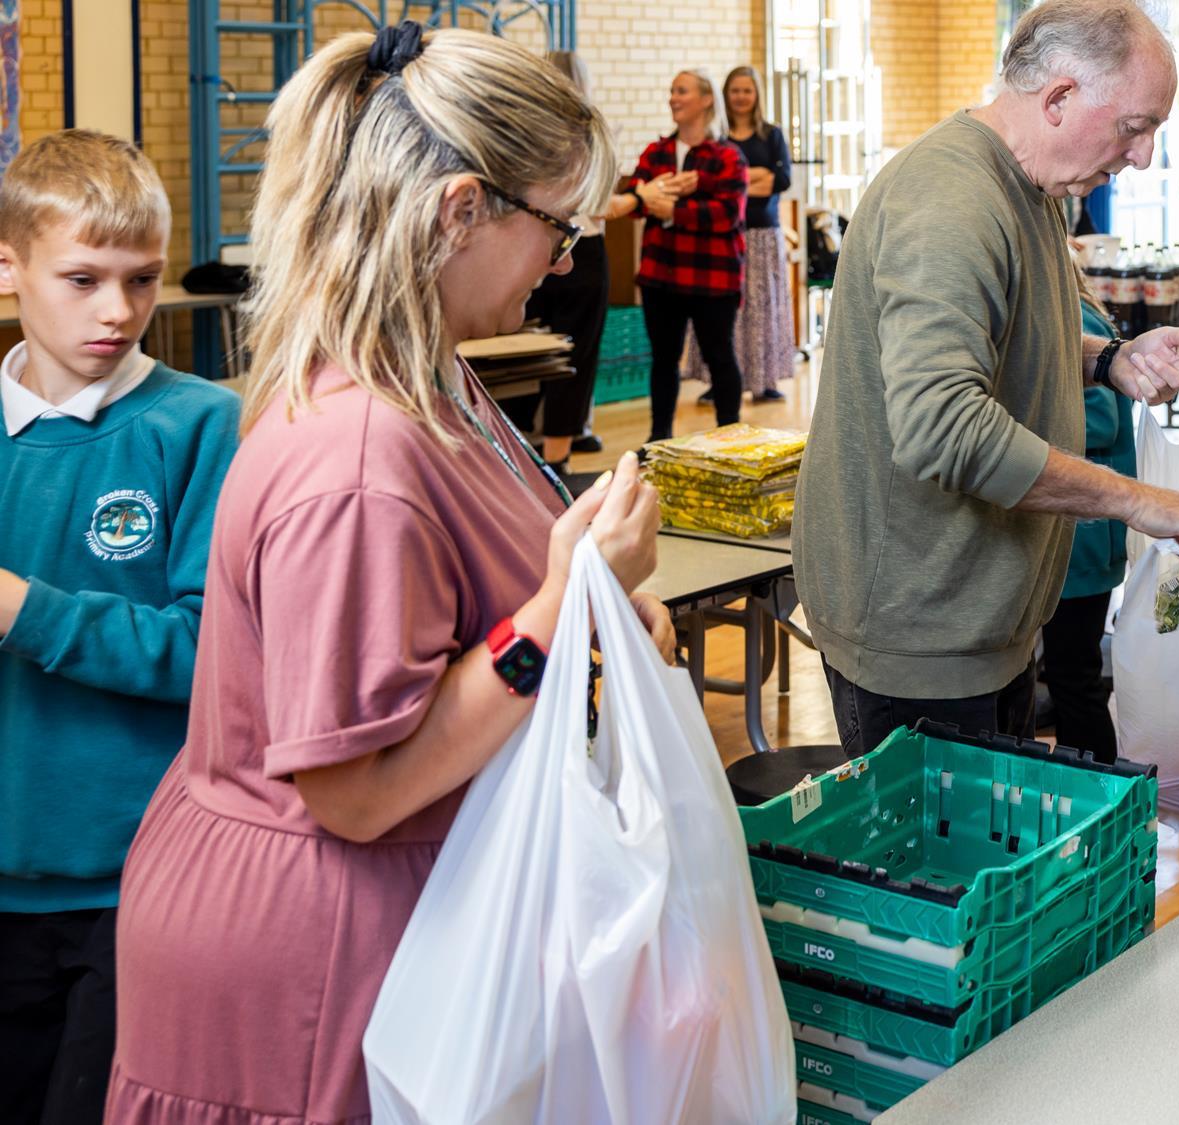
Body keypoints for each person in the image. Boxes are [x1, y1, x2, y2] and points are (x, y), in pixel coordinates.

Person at [105, 25, 675, 1122]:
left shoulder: (435, 379)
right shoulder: (357, 462)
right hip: (312, 958)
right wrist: (558, 616)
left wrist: (596, 604)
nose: (564, 264)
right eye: (554, 229)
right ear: (460, 209)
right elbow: (356, 790)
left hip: (388, 919)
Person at [794, 0, 1179, 759]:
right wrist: (1135, 500)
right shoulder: (951, 200)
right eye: (1136, 126)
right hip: (920, 629)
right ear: (1061, 98)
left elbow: (1003, 335)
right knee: (939, 874)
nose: (1141, 156)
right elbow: (943, 427)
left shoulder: (1034, 188)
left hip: (984, 616)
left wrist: (1107, 359)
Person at [0, 130, 238, 1125]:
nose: (117, 311)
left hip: (136, 887)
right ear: (8, 268)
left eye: (140, 280)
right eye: (82, 279)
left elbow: (208, 653)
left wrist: (23, 608)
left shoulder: (198, 425)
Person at [604, 69, 748, 442]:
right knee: (663, 361)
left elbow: (727, 215)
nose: (673, 98)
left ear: (705, 100)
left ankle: (731, 439)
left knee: (720, 357)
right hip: (661, 276)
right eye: (671, 91)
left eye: (681, 91)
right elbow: (636, 202)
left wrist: (670, 209)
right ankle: (658, 441)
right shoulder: (657, 152)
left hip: (714, 278)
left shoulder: (728, 157)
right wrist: (659, 196)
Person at [500, 50, 613, 478]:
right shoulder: (594, 135)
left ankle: (519, 453)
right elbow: (599, 204)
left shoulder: (527, 132)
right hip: (578, 249)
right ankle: (556, 462)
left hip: (542, 246)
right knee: (571, 360)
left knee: (522, 354)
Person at [1040, 261, 1136, 762]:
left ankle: (1099, 795)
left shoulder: (1074, 321)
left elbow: (1095, 424)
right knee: (1068, 676)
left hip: (1083, 535)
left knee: (1074, 681)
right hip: (1077, 533)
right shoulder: (1070, 314)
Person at [688, 65, 795, 403]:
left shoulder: (772, 135)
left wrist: (738, 181)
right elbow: (709, 182)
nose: (741, 97)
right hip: (723, 233)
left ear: (757, 94)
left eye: (747, 90)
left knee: (763, 307)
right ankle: (715, 380)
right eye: (735, 90)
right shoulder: (716, 136)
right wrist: (756, 178)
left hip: (764, 233)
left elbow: (782, 181)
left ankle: (765, 380)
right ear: (725, 94)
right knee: (723, 310)